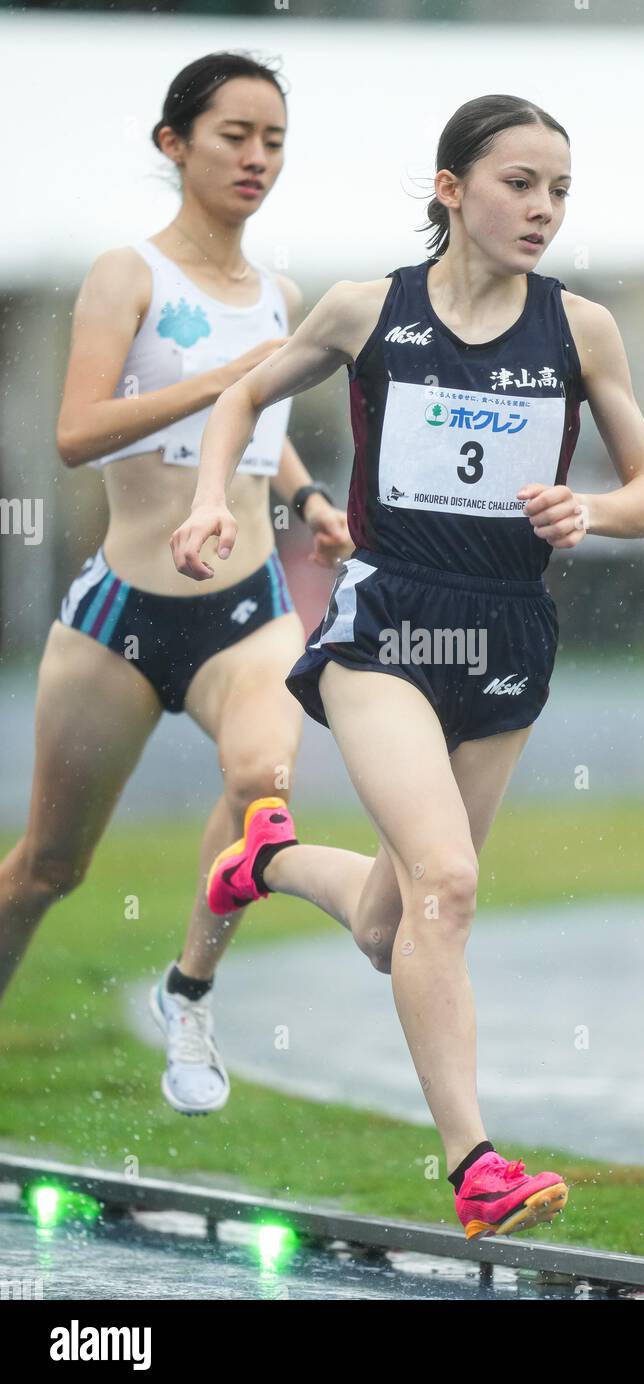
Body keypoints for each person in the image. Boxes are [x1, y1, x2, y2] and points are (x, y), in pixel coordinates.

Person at [170, 94, 644, 1238]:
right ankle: (474, 1163)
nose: (541, 208)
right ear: (450, 189)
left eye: (558, 190)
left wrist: (587, 508)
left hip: (506, 635)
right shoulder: (366, 309)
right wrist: (213, 497)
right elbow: (240, 392)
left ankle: (266, 861)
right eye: (517, 184)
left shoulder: (581, 329)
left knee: (397, 923)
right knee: (446, 882)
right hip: (385, 625)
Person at [0, 50, 373, 1120]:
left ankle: (190, 991)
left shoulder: (284, 296)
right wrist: (218, 382)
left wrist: (306, 500)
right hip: (120, 617)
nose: (258, 159)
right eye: (234, 136)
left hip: (247, 609)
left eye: (275, 143)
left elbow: (264, 435)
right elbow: (75, 435)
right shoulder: (128, 275)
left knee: (264, 789)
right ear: (175, 144)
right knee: (46, 867)